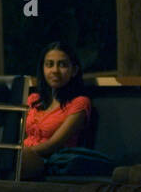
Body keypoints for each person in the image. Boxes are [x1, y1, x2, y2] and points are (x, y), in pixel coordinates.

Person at [21, 42, 92, 179]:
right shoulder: (33, 99)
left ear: (74, 71)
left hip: (52, 160)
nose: (54, 70)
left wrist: (20, 153)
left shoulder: (79, 103)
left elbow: (54, 145)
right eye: (49, 64)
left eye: (62, 65)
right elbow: (19, 134)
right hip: (25, 155)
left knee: (14, 161)